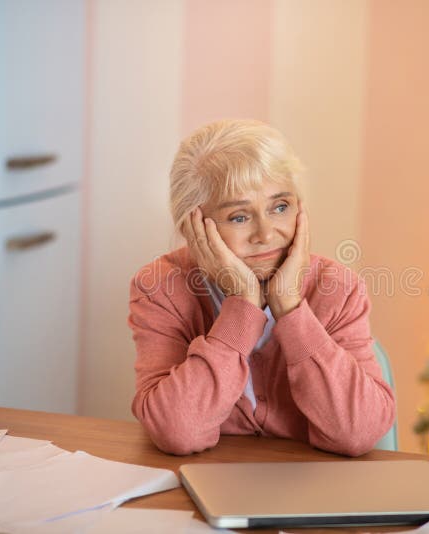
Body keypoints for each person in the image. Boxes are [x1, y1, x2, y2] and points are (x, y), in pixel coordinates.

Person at [127, 119, 395, 456]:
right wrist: (242, 305)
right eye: (239, 216)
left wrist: (290, 307)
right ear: (192, 226)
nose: (266, 234)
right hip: (209, 486)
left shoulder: (339, 289)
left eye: (280, 207)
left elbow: (359, 432)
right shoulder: (159, 288)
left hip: (316, 491)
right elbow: (177, 432)